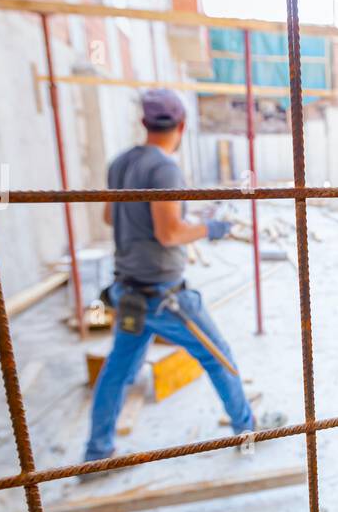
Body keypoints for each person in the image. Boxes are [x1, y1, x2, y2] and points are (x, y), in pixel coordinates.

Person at [83, 88, 282, 464]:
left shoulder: (120, 163)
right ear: (182, 125)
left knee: (119, 369)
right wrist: (211, 227)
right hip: (162, 295)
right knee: (218, 356)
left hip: (128, 288)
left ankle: (97, 452)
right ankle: (247, 429)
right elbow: (170, 233)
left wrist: (184, 220)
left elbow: (111, 217)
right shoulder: (164, 168)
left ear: (143, 123)